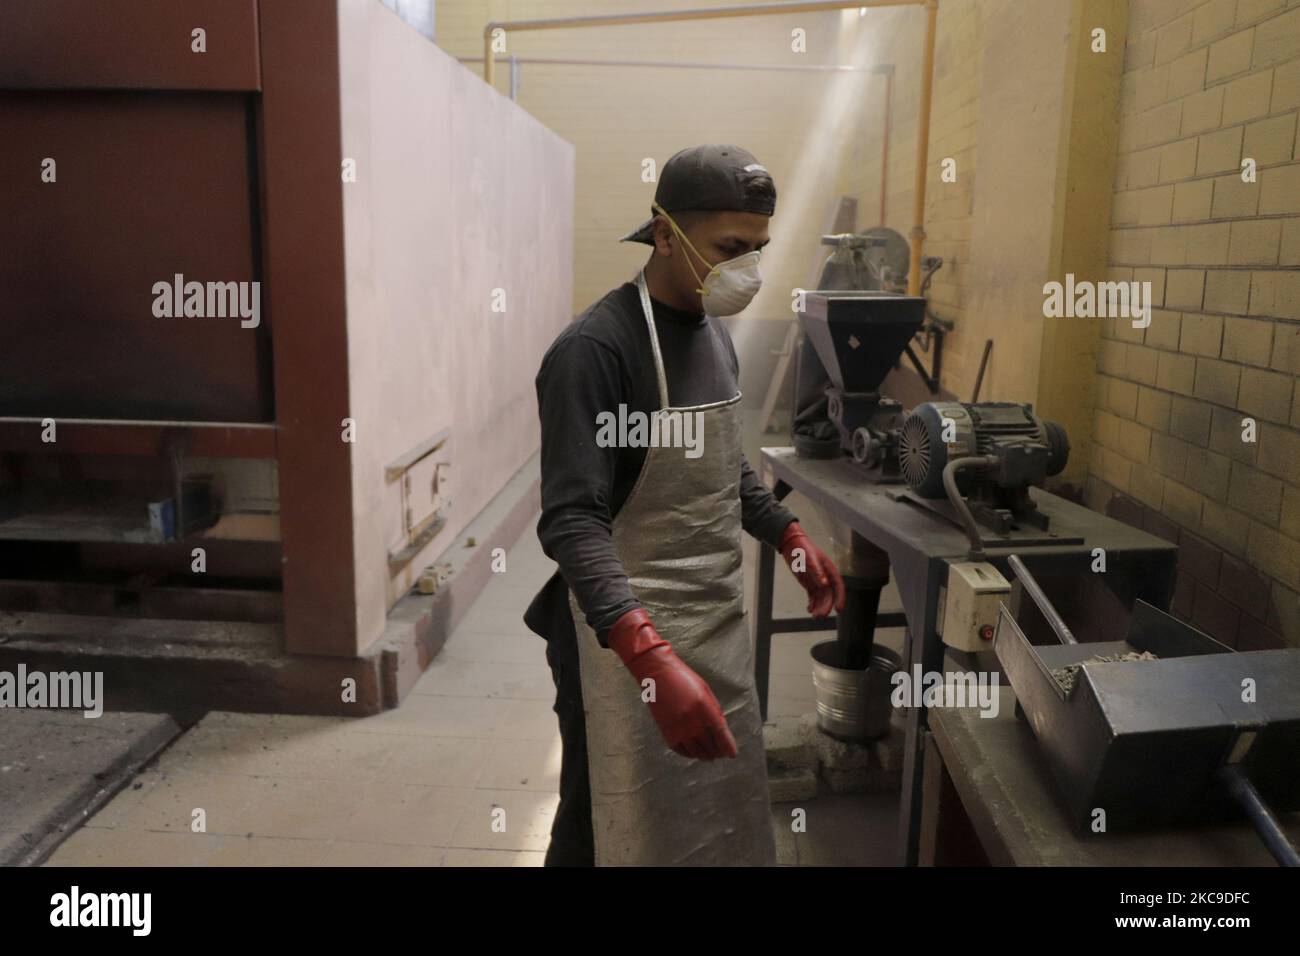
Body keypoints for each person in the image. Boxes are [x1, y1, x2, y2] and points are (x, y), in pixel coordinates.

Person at [524, 144, 845, 866]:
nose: (748, 271)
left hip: (713, 628)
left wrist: (787, 532)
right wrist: (649, 657)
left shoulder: (713, 337)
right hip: (617, 642)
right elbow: (572, 520)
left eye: (758, 250)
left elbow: (723, 468)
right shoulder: (596, 351)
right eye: (731, 248)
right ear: (664, 234)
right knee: (604, 817)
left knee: (709, 816)